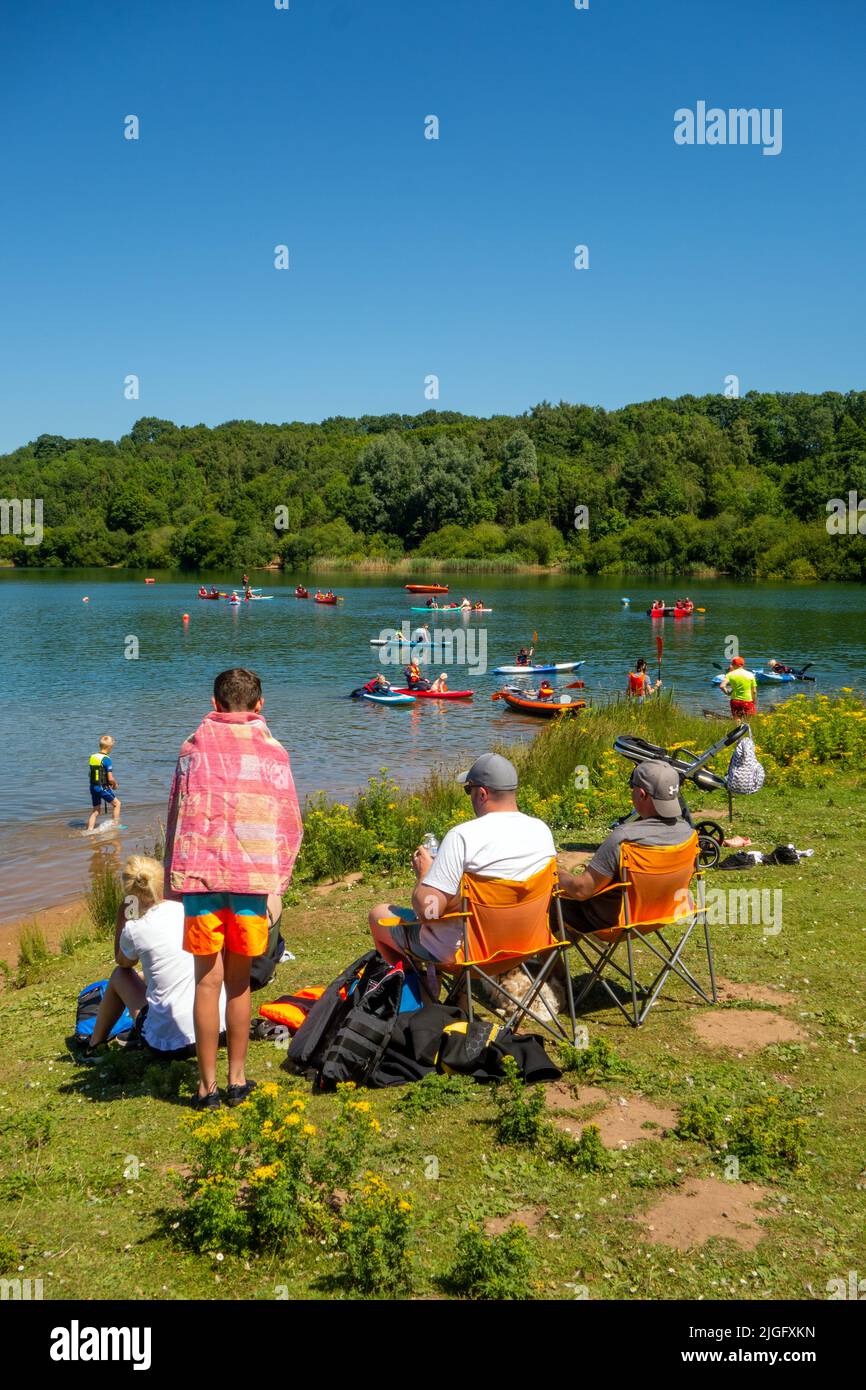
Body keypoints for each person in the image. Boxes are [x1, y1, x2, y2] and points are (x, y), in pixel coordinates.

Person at [163, 667, 303, 1110]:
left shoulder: (192, 749)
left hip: (201, 879)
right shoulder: (274, 753)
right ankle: (237, 1081)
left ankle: (206, 1089)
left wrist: (173, 876)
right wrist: (279, 878)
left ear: (215, 702)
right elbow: (289, 821)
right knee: (239, 983)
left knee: (208, 982)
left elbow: (175, 814)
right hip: (250, 881)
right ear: (260, 704)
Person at [369, 753, 555, 966]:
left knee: (378, 915)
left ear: (482, 794)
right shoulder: (541, 830)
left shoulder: (462, 836)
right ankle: (456, 995)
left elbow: (429, 912)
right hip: (527, 944)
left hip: (469, 954)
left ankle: (418, 995)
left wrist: (425, 874)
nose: (470, 797)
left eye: (469, 790)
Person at [85, 855, 226, 1060]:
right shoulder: (187, 910)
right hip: (219, 1027)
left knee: (119, 976)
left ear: (129, 893)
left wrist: (122, 918)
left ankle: (94, 1044)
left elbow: (123, 962)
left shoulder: (135, 929)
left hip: (171, 1044)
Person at [557, 761, 693, 936]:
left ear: (642, 794)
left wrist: (558, 874)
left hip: (617, 921)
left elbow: (582, 890)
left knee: (550, 904)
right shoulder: (688, 833)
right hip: (666, 911)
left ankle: (544, 963)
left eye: (633, 787)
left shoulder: (625, 838)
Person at [87, 735, 122, 832]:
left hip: (93, 787)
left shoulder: (93, 757)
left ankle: (89, 830)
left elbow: (94, 773)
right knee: (117, 804)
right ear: (110, 747)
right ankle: (115, 826)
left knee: (96, 810)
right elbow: (110, 778)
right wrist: (114, 784)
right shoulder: (107, 759)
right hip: (102, 787)